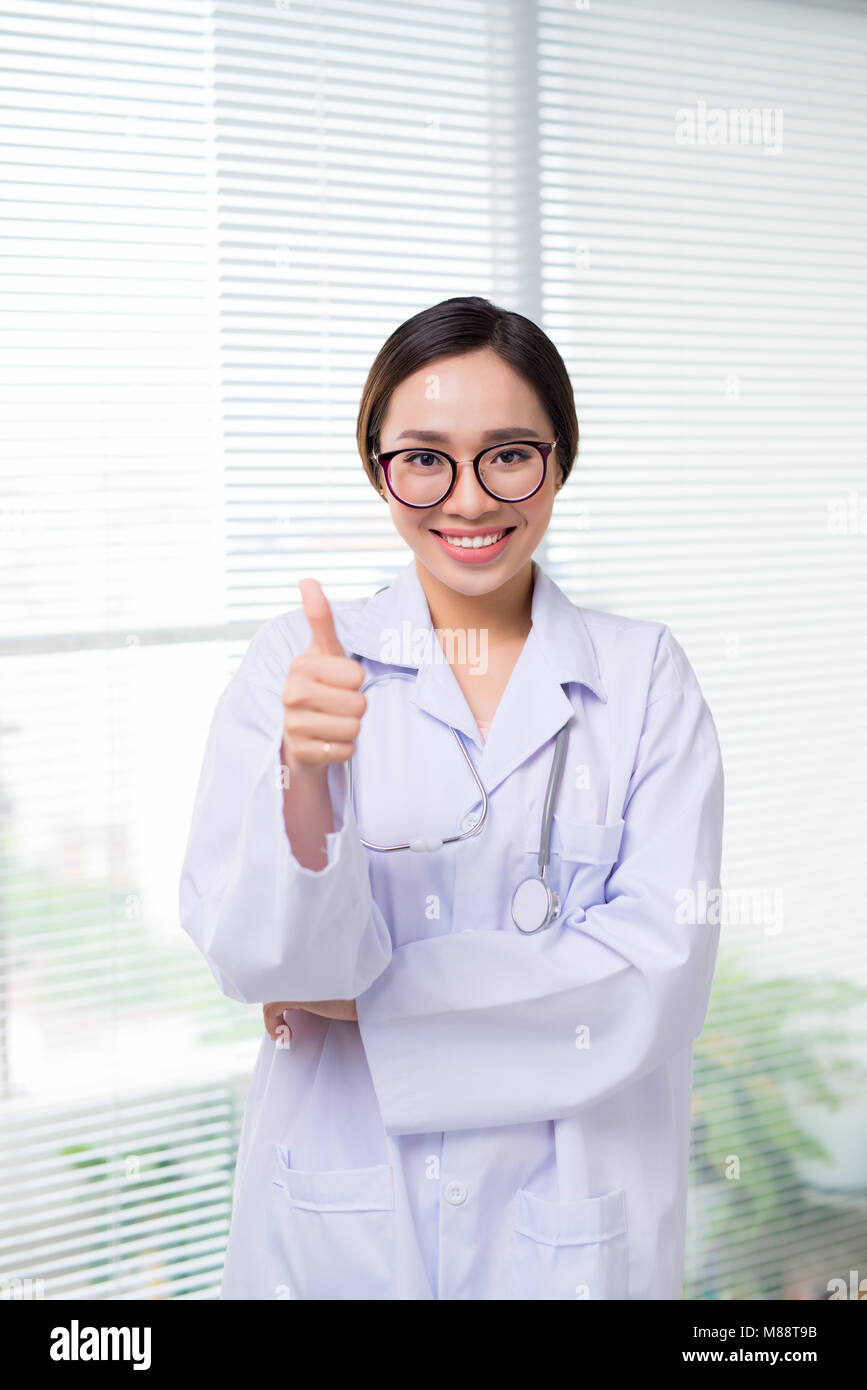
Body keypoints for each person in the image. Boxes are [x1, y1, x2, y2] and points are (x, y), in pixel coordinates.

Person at [179, 294, 724, 1300]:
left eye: (509, 453)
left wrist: (356, 1003)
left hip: (574, 1227)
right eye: (424, 457)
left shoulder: (644, 678)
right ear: (377, 466)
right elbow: (258, 956)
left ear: (559, 458)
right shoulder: (298, 668)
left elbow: (654, 978)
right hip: (341, 1215)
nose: (469, 499)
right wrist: (306, 775)